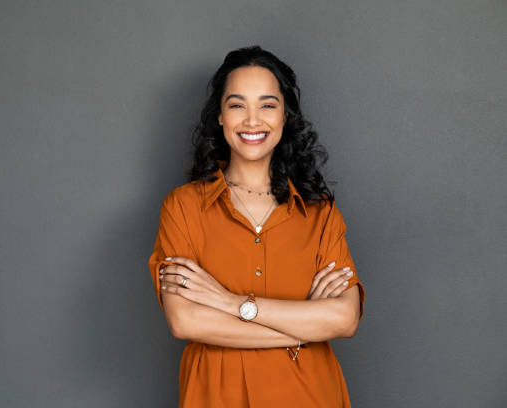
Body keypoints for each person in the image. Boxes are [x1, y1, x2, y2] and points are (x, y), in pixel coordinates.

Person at [148, 45, 366, 408]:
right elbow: (185, 321)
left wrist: (228, 303)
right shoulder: (183, 207)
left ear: (285, 115)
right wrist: (300, 330)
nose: (252, 120)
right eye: (237, 105)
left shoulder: (321, 214)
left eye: (267, 104)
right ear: (219, 116)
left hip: (310, 396)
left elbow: (344, 318)